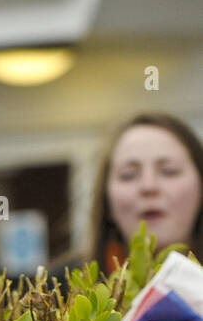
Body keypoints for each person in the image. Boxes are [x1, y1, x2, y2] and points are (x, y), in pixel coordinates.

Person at [85, 113, 203, 271]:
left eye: (169, 171)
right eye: (128, 175)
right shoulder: (59, 283)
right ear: (106, 200)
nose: (148, 186)